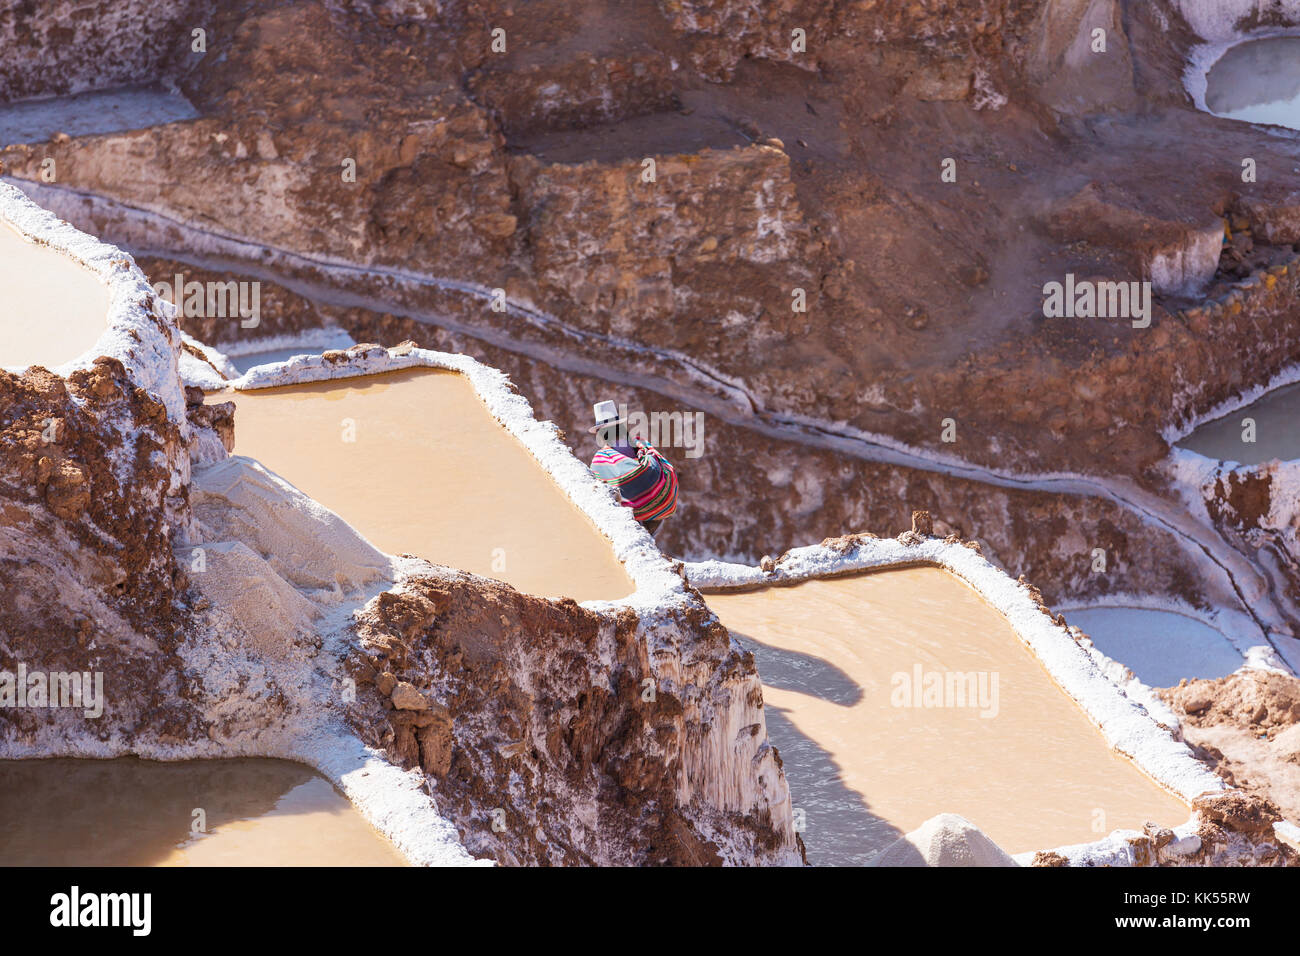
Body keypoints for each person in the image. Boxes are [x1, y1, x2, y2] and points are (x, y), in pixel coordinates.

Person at [588, 400, 678, 536]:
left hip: (635, 513)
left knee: (641, 536)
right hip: (661, 502)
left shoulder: (601, 459)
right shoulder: (639, 443)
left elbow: (598, 488)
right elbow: (658, 461)